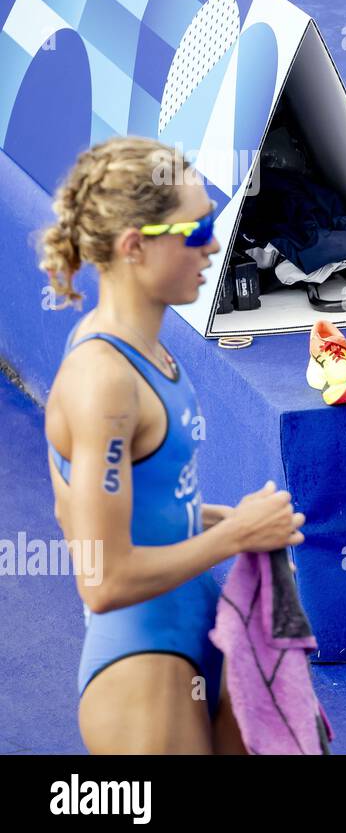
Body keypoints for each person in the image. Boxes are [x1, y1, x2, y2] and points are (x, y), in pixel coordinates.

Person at [39, 137, 306, 752]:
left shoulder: (148, 349)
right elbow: (102, 579)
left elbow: (151, 508)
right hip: (144, 668)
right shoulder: (103, 383)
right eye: (196, 229)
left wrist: (234, 519)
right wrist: (235, 537)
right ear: (135, 246)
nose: (213, 245)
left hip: (196, 629)